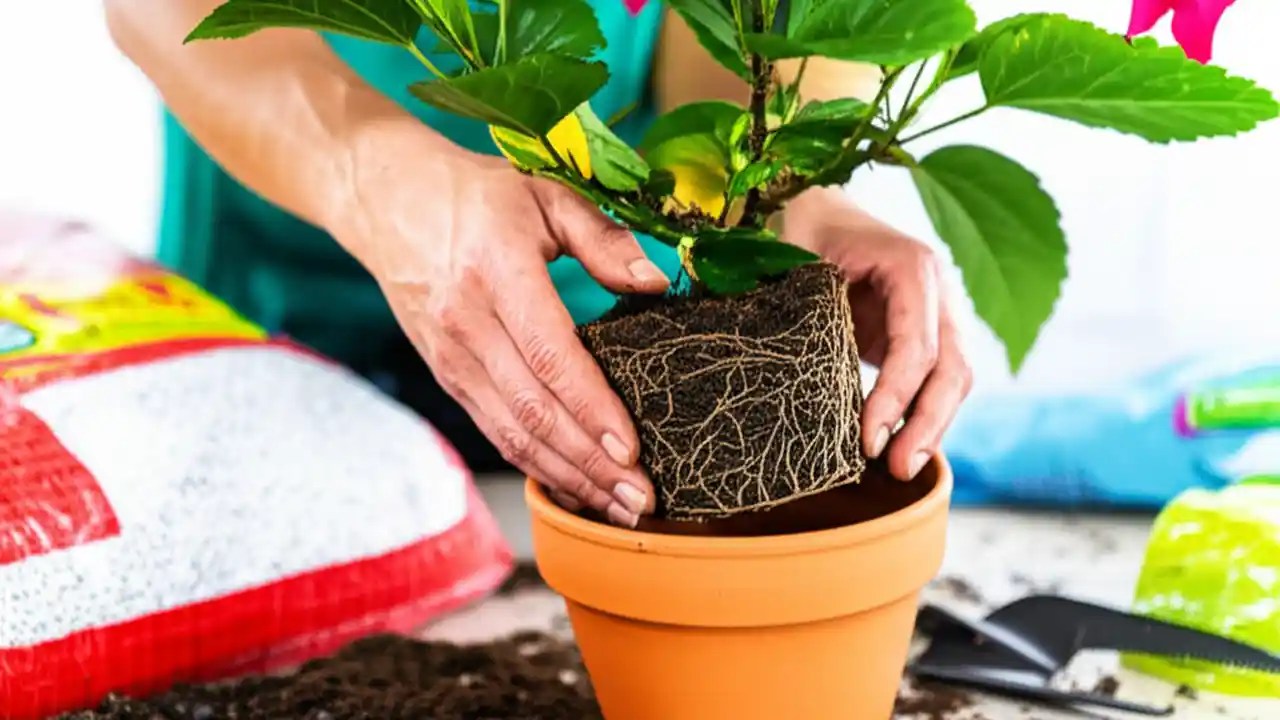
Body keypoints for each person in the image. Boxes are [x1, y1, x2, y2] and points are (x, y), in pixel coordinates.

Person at [103, 0, 972, 527]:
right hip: (275, 304)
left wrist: (779, 193)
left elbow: (728, 61)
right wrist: (376, 181)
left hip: (581, 342)